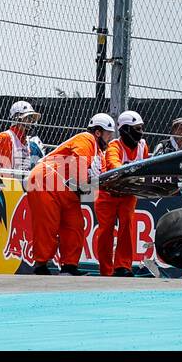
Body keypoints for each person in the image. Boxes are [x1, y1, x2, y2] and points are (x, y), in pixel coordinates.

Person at [26, 113, 113, 275]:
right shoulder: (86, 138)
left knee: (75, 226)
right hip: (45, 180)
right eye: (109, 133)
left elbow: (101, 178)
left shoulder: (99, 154)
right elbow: (79, 163)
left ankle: (69, 266)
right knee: (47, 226)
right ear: (98, 132)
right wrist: (87, 181)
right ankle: (41, 265)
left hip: (67, 191)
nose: (110, 138)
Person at [94, 110, 149, 277]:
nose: (139, 132)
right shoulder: (114, 146)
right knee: (106, 231)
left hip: (128, 194)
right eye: (136, 128)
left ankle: (123, 266)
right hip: (107, 194)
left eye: (140, 128)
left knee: (127, 228)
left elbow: (146, 167)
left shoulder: (142, 146)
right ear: (125, 130)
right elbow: (113, 165)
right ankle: (106, 269)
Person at [0, 100, 39, 176]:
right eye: (28, 118)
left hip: (20, 183)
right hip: (5, 184)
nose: (31, 121)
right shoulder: (5, 137)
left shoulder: (28, 141)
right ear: (17, 118)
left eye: (31, 118)